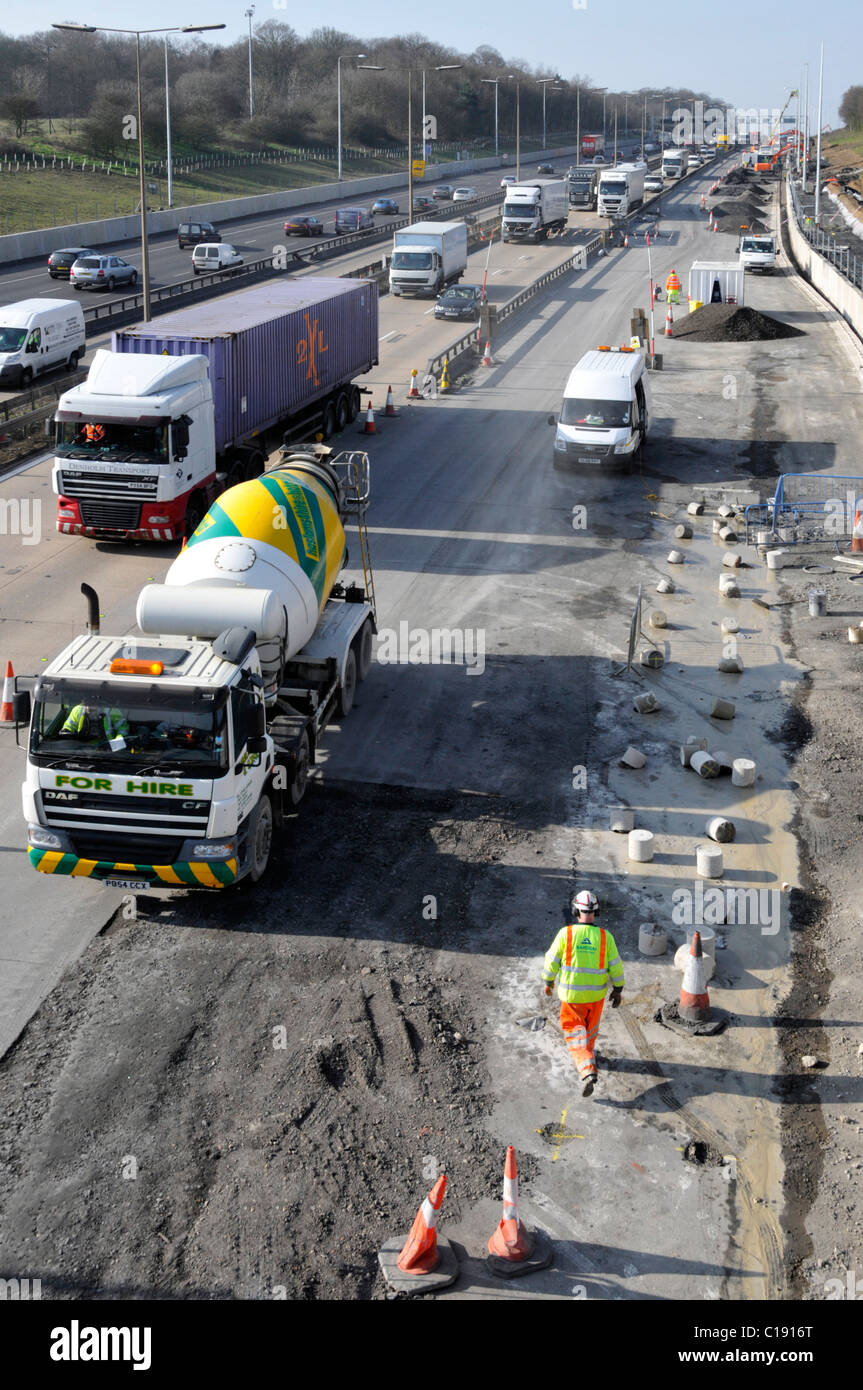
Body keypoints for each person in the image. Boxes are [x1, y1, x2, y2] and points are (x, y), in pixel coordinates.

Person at [542, 890, 625, 1097]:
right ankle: (588, 1056)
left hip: (572, 998)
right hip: (596, 998)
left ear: (575, 910)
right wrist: (618, 989)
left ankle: (587, 1070)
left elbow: (551, 960)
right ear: (596, 912)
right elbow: (616, 966)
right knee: (589, 1032)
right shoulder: (606, 937)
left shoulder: (566, 934)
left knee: (573, 1035)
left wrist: (548, 981)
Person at [61, 703, 129, 741]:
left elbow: (123, 730)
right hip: (80, 749)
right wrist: (66, 731)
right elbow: (68, 726)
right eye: (86, 704)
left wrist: (116, 744)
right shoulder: (77, 710)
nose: (88, 707)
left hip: (106, 750)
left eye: (91, 704)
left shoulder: (112, 711)